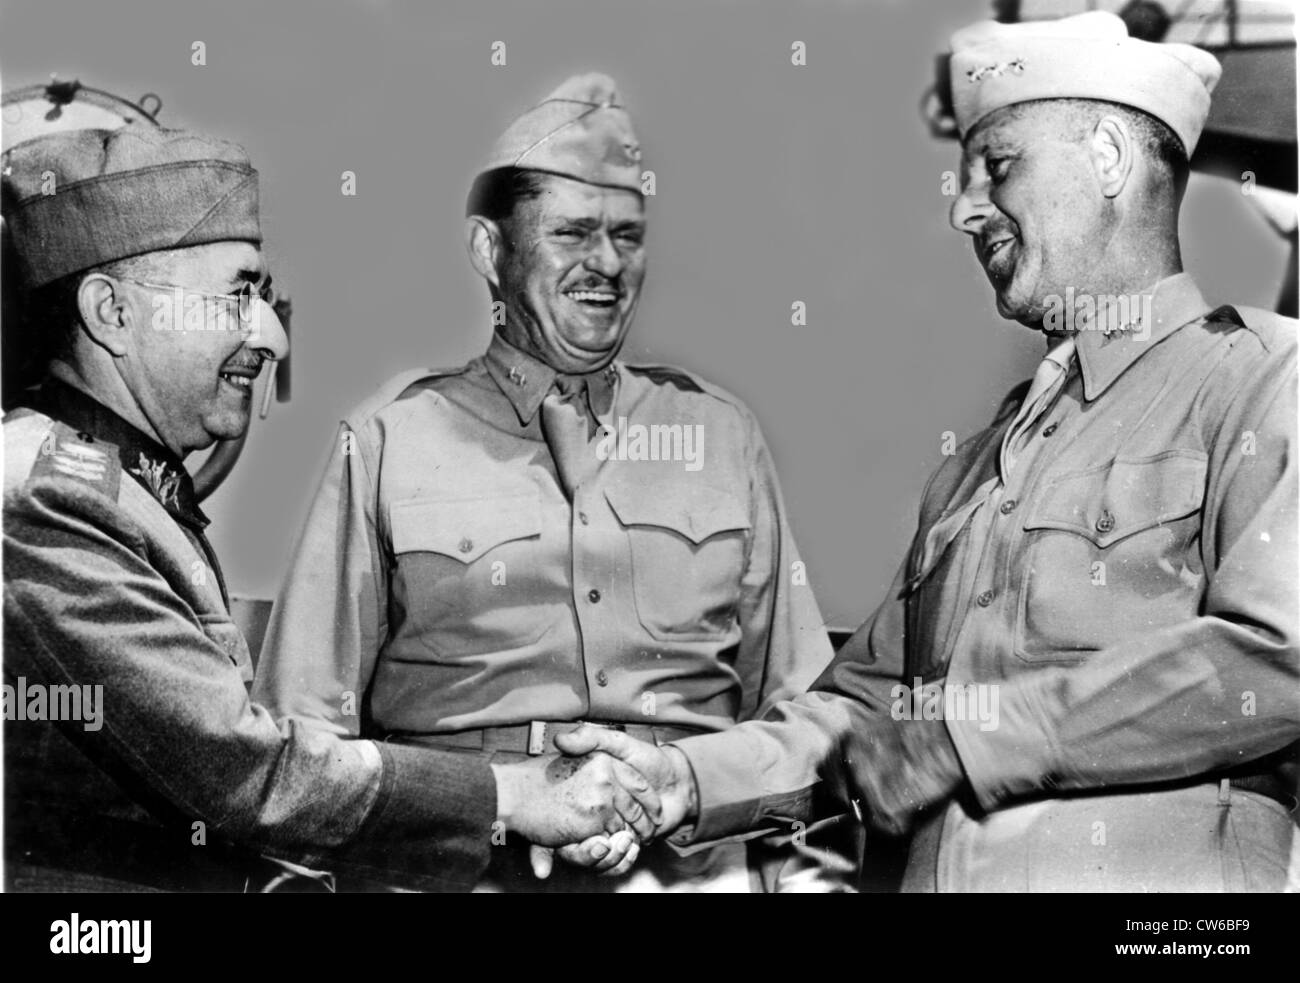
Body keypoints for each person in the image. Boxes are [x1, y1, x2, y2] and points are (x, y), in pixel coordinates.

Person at [563, 11, 1299, 892]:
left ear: (1108, 157)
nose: (962, 208)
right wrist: (681, 781)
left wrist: (968, 739)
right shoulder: (977, 467)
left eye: (998, 166)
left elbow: (1278, 657)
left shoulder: (1266, 378)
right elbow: (863, 713)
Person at [2, 122, 658, 892]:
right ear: (111, 312)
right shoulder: (48, 496)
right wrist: (513, 794)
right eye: (238, 293)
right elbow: (242, 772)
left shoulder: (122, 488)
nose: (272, 335)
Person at [252, 73, 853, 891]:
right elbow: (303, 730)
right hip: (459, 870)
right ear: (489, 251)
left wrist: (683, 784)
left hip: (689, 871)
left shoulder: (721, 435)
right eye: (572, 233)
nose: (605, 264)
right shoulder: (389, 439)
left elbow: (810, 715)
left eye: (627, 235)